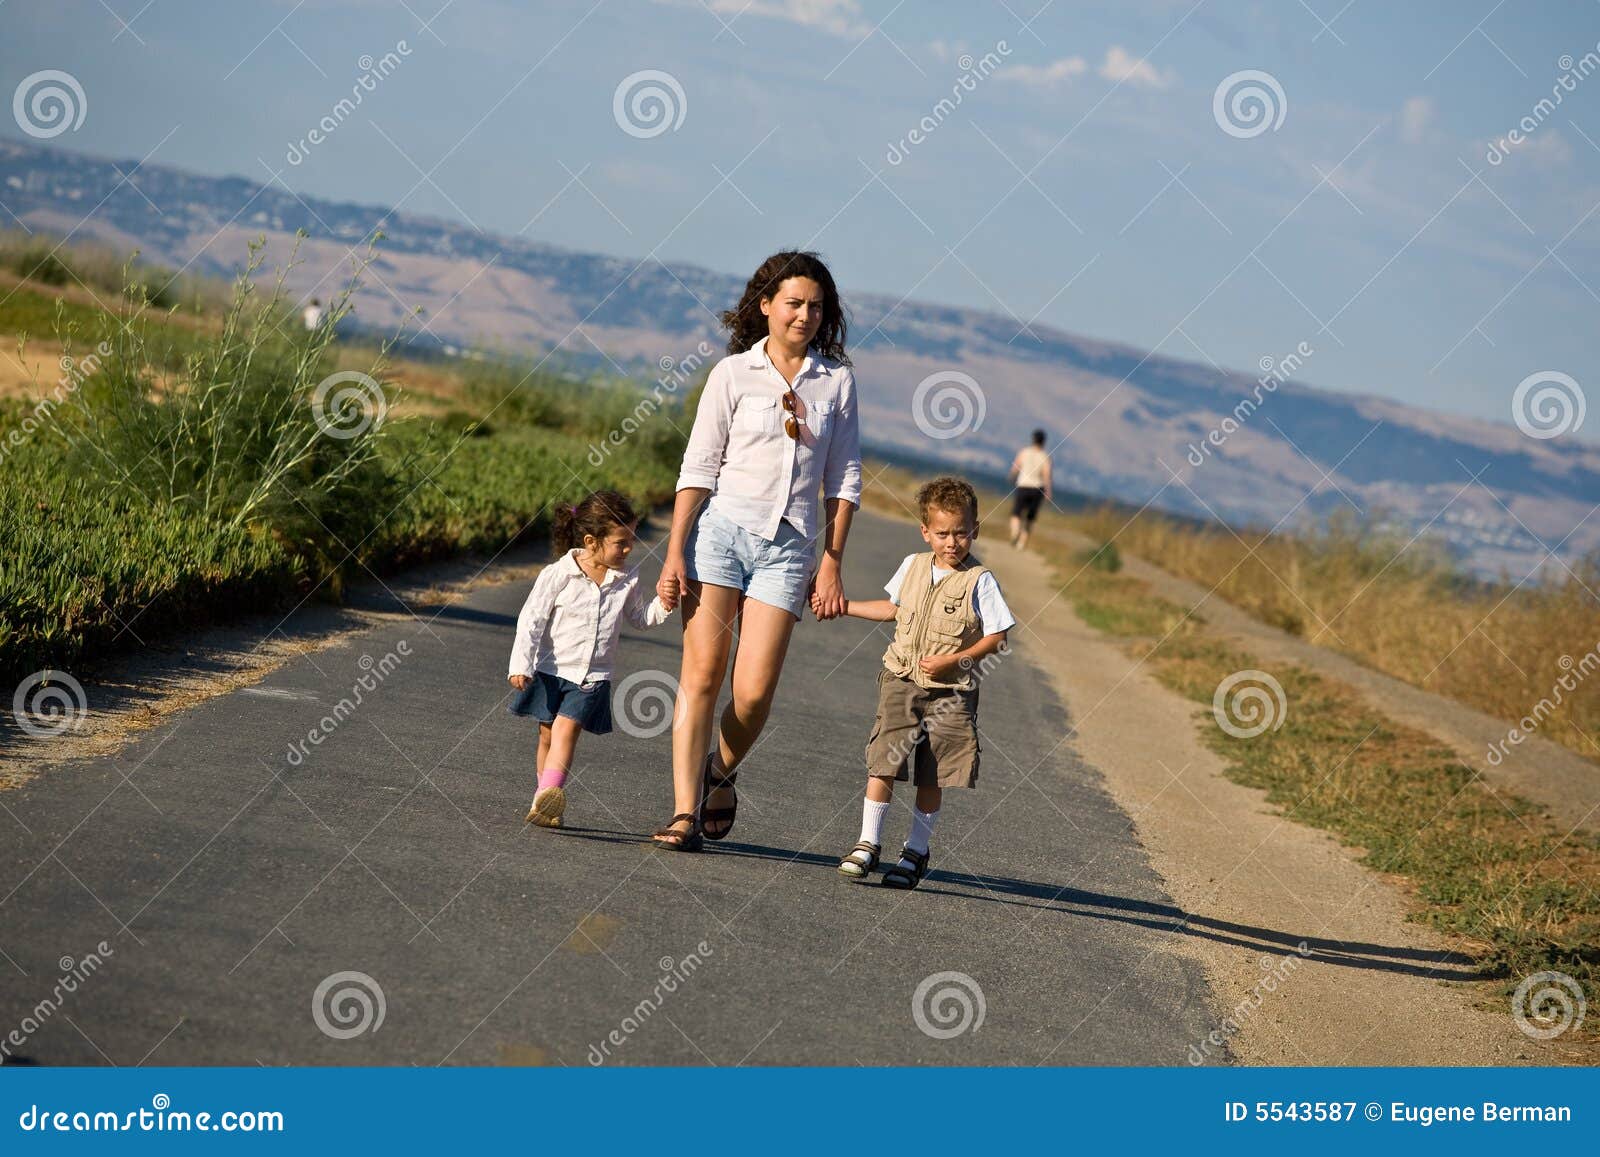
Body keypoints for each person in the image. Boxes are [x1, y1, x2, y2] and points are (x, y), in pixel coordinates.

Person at [652, 250, 862, 851]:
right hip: (721, 536)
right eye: (793, 303)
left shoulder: (836, 382)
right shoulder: (732, 375)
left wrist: (833, 561)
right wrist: (673, 555)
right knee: (700, 676)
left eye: (816, 306)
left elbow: (843, 479)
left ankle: (719, 771)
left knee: (752, 694)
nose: (805, 315)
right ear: (765, 305)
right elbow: (698, 467)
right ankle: (683, 812)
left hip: (789, 549)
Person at [828, 477, 1014, 889]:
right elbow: (891, 608)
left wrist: (955, 659)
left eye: (962, 532)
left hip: (951, 694)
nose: (953, 542)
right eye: (943, 533)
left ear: (975, 530)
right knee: (883, 760)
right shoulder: (912, 566)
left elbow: (998, 637)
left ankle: (915, 850)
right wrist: (845, 607)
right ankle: (867, 843)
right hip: (900, 680)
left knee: (933, 775)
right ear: (926, 532)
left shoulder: (979, 580)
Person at [507, 490, 674, 829]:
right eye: (621, 542)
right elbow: (532, 619)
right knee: (547, 735)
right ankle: (544, 800)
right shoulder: (558, 574)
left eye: (631, 540)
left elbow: (640, 617)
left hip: (592, 677)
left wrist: (664, 604)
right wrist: (520, 664)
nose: (629, 549)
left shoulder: (627, 579)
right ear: (591, 541)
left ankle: (549, 794)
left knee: (566, 732)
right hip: (549, 670)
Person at [1008, 429, 1052, 548]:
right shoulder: (1045, 456)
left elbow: (1015, 468)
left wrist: (1012, 476)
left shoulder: (1024, 452)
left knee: (1016, 513)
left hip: (1023, 485)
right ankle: (1021, 543)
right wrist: (1048, 492)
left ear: (1033, 439)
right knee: (1030, 518)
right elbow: (1047, 476)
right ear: (1044, 441)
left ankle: (1015, 532)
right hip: (1037, 488)